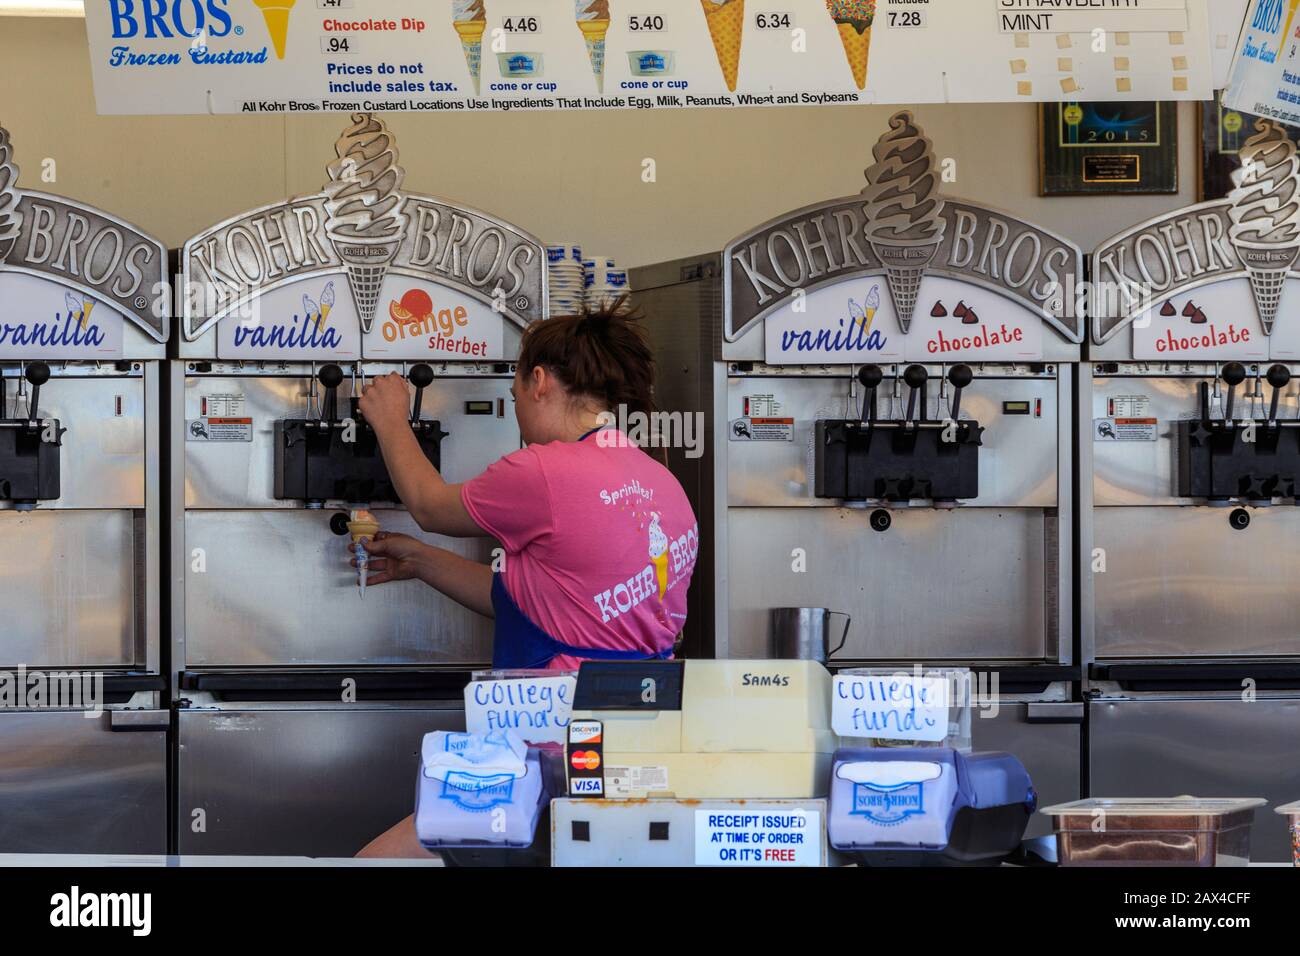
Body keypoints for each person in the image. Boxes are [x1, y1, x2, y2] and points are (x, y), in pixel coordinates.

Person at [353, 302, 698, 857]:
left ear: (538, 381)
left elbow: (428, 505)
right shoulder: (659, 480)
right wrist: (421, 562)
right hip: (636, 745)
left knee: (376, 863)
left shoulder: (541, 470)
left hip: (545, 748)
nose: (514, 406)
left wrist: (389, 418)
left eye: (514, 391)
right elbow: (555, 612)